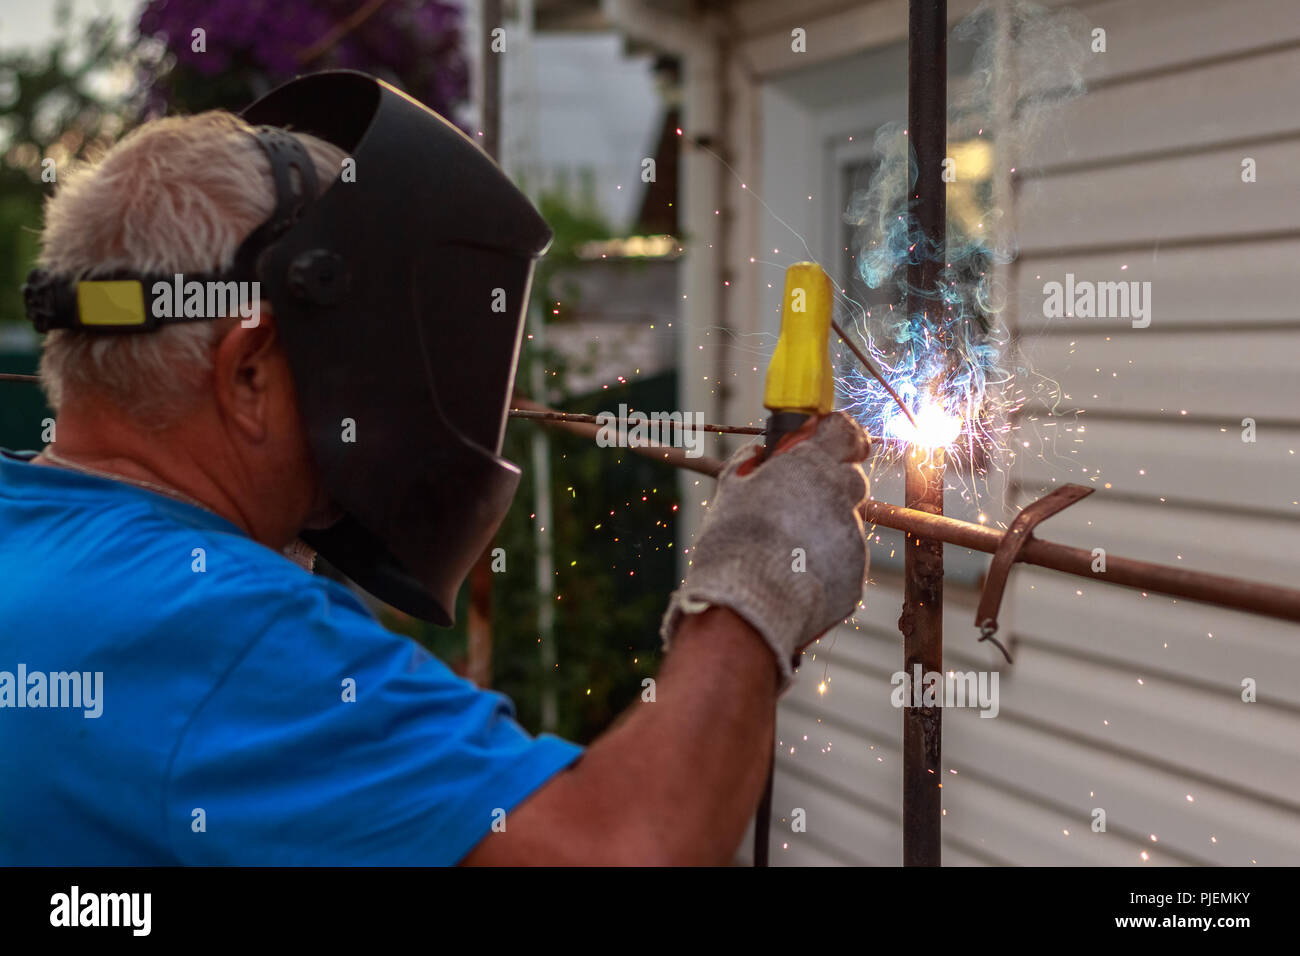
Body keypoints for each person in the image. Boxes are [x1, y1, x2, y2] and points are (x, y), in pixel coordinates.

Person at [0, 71, 870, 865]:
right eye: (359, 356)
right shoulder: (219, 628)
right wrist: (757, 578)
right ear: (250, 372)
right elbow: (631, 848)